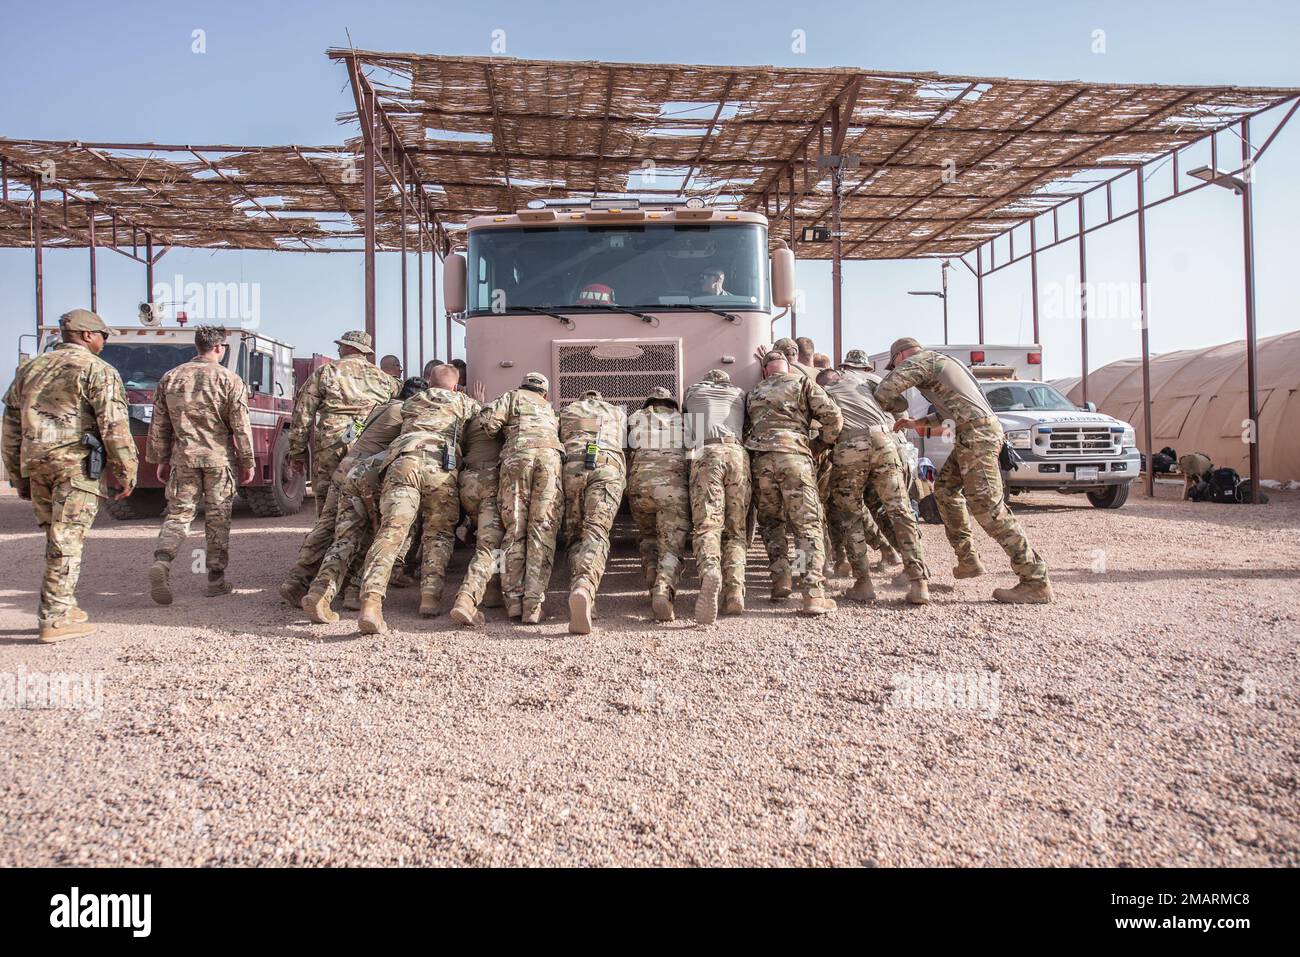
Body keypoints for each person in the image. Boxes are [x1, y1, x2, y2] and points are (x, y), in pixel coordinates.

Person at [876, 337, 1053, 603]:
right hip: (973, 433)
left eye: (896, 365)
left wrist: (895, 407)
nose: (898, 368)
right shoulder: (944, 365)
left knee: (988, 507)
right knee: (945, 491)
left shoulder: (922, 361)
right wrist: (915, 423)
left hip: (977, 435)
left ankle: (1035, 579)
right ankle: (968, 558)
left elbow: (885, 392)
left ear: (900, 357)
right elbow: (949, 412)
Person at [2, 308, 137, 642]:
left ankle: (65, 603)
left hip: (36, 464)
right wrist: (127, 468)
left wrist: (17, 474)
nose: (104, 342)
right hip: (75, 466)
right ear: (87, 335)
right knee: (68, 539)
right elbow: (114, 425)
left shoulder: (29, 369)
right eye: (103, 335)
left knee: (56, 537)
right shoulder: (98, 370)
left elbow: (11, 426)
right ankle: (55, 618)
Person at [355, 364, 480, 634]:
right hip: (440, 469)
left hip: (404, 463)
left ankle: (371, 602)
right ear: (455, 386)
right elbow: (480, 424)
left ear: (429, 382)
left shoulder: (412, 401)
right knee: (439, 533)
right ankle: (430, 598)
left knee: (392, 530)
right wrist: (476, 399)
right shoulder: (463, 402)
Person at [298, 376, 428, 623]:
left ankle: (313, 588)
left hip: (347, 468)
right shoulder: (407, 413)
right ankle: (354, 591)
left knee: (339, 533)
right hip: (369, 473)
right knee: (376, 534)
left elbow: (351, 434)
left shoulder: (378, 408)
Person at [145, 325, 255, 604]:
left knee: (179, 515)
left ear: (197, 346)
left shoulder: (171, 377)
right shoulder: (229, 379)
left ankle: (163, 561)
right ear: (218, 348)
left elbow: (159, 425)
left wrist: (161, 459)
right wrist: (247, 460)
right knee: (218, 518)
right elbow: (241, 426)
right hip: (218, 460)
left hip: (183, 459)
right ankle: (215, 580)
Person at [817, 368, 929, 605]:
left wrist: (817, 446)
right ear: (839, 374)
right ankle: (919, 581)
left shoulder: (823, 392)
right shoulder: (862, 383)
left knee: (850, 515)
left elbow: (830, 427)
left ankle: (864, 583)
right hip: (884, 443)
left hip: (850, 446)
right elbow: (899, 403)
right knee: (900, 509)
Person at [745, 350, 842, 615]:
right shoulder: (802, 383)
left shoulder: (754, 392)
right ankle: (811, 592)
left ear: (765, 371)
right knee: (805, 525)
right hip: (794, 458)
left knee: (771, 523)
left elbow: (746, 429)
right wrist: (819, 444)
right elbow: (833, 417)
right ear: (788, 367)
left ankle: (781, 580)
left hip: (761, 461)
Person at [479, 372, 564, 624]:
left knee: (514, 529)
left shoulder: (511, 397)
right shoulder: (550, 409)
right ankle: (533, 605)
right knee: (542, 530)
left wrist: (483, 405)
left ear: (522, 386)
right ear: (544, 393)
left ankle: (513, 600)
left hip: (517, 458)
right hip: (550, 460)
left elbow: (489, 425)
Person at [288, 330, 398, 516]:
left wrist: (297, 453)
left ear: (350, 347)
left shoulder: (326, 372)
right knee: (365, 496)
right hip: (369, 442)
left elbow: (303, 414)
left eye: (341, 346)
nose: (338, 349)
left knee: (327, 500)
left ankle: (327, 532)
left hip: (332, 443)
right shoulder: (384, 379)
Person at [682, 368, 750, 623]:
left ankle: (711, 571)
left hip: (706, 452)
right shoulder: (739, 394)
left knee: (708, 525)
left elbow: (688, 428)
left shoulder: (692, 392)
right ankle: (734, 591)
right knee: (736, 529)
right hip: (736, 454)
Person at [558, 388, 627, 634]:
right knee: (596, 532)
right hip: (606, 468)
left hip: (572, 469)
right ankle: (585, 588)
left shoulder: (567, 411)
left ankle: (582, 593)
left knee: (575, 536)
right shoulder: (616, 412)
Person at [626, 387, 690, 622]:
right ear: (671, 404)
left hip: (639, 488)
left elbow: (627, 452)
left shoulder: (635, 417)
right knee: (670, 546)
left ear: (649, 402)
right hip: (672, 490)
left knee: (648, 537)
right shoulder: (685, 421)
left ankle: (653, 582)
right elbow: (694, 456)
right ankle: (663, 590)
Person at [448, 398, 506, 627]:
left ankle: (493, 592)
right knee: (491, 545)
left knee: (487, 538)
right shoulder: (502, 421)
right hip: (490, 481)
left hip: (468, 482)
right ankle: (467, 598)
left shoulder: (471, 421)